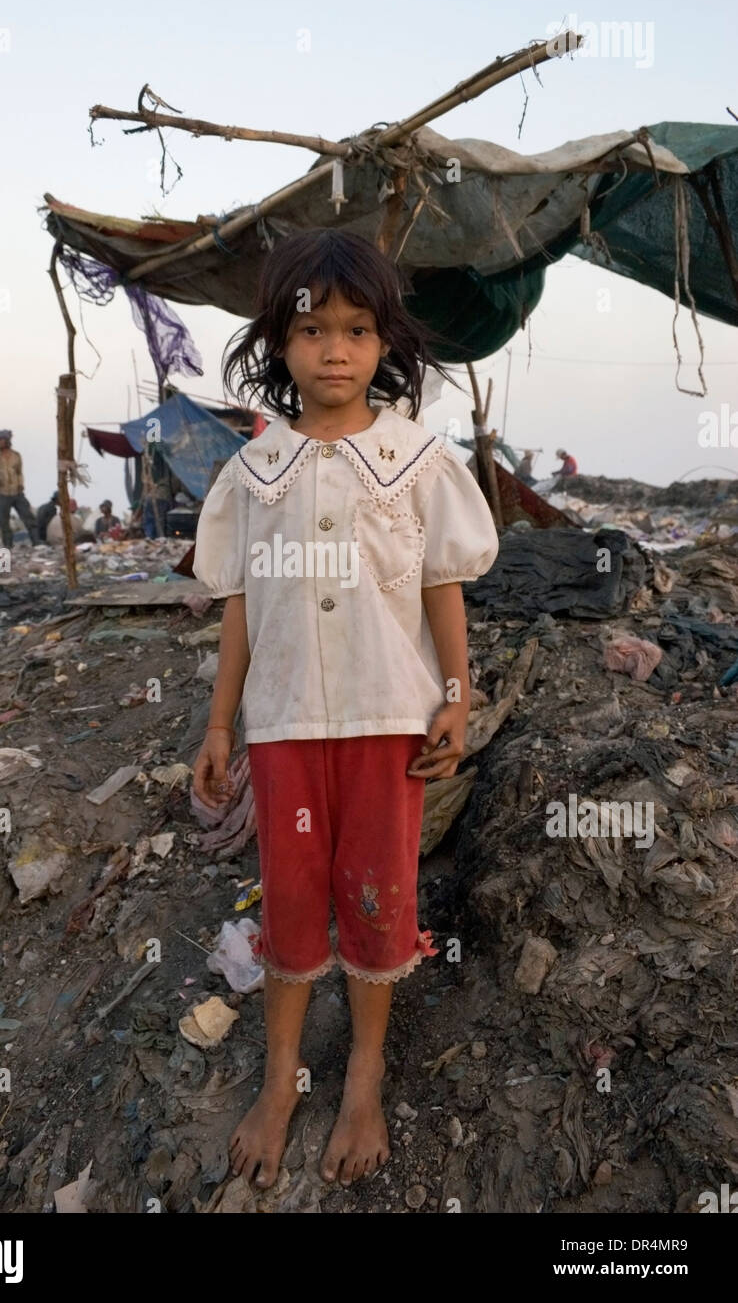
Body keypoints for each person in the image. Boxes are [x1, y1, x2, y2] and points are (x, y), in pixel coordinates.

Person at [192, 229, 498, 1191]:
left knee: (380, 898)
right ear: (276, 344)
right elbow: (241, 603)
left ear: (385, 346)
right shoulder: (255, 472)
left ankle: (362, 1073)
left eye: (358, 331)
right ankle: (281, 1081)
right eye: (312, 328)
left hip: (386, 720)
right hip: (284, 725)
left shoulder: (415, 460)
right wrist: (217, 723)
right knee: (290, 904)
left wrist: (456, 694)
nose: (335, 350)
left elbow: (443, 583)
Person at [0, 430, 38, 549]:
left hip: (17, 492)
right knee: (4, 521)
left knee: (28, 516)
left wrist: (21, 483)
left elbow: (19, 472)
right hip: (3, 493)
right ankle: (8, 545)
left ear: (7, 441)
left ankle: (36, 541)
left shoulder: (16, 455)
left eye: (1, 440)